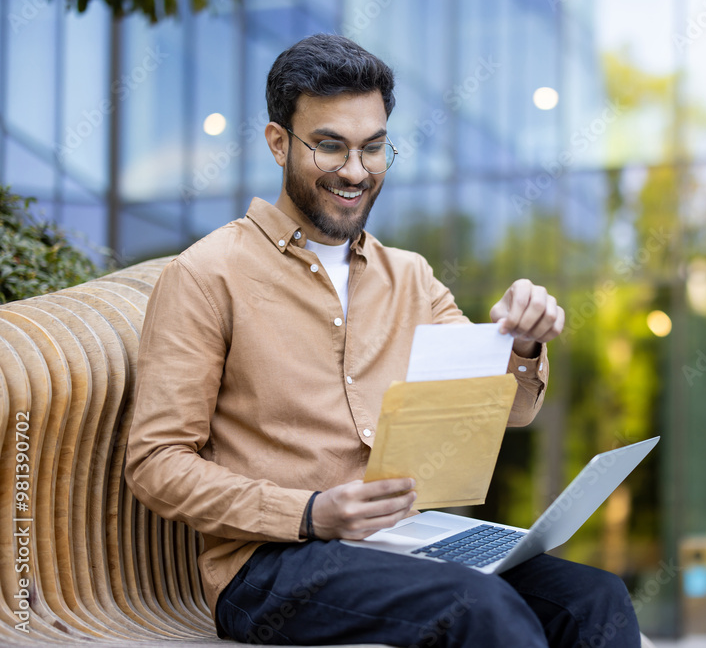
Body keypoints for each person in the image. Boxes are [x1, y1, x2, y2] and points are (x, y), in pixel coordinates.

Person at [125, 33, 640, 647]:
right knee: (477, 607)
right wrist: (312, 512)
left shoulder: (411, 277)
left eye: (373, 148)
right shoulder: (206, 275)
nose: (355, 171)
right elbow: (155, 465)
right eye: (330, 147)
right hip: (271, 565)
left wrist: (520, 345)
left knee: (594, 599)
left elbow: (511, 408)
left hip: (405, 542)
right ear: (278, 142)